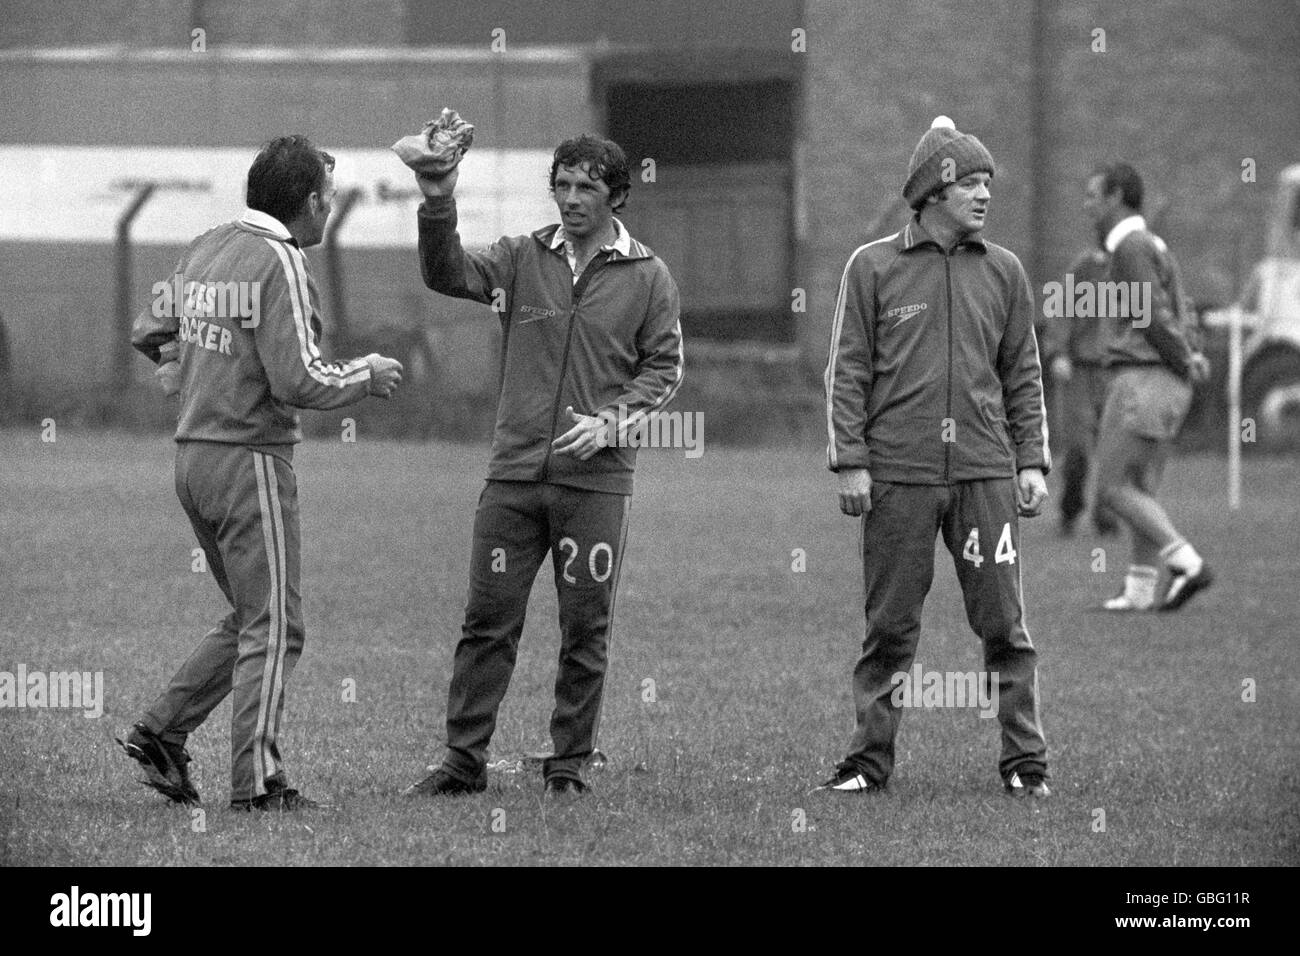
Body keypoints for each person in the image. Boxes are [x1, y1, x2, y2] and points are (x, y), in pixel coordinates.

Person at [122, 135, 404, 811]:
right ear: (308, 202)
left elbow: (150, 325)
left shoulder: (208, 245)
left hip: (193, 459)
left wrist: (175, 369)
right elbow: (298, 376)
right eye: (329, 198)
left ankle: (161, 732)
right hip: (249, 459)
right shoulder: (281, 261)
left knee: (255, 618)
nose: (330, 210)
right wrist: (365, 374)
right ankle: (257, 785)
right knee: (277, 626)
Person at [402, 133, 683, 797]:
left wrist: (613, 420)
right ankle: (462, 761)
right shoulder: (521, 257)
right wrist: (438, 197)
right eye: (563, 185)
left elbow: (665, 369)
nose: (572, 199)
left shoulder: (649, 277)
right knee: (486, 622)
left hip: (596, 482)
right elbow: (446, 273)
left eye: (587, 187)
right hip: (513, 476)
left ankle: (568, 765)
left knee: (586, 627)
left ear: (616, 195)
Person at [820, 116, 1051, 799]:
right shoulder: (872, 267)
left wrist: (1031, 460)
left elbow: (1024, 374)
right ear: (931, 193)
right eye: (970, 183)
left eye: (988, 183)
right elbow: (848, 370)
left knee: (1005, 627)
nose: (984, 195)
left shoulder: (1005, 272)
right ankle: (868, 763)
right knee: (890, 627)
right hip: (898, 475)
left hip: (985, 474)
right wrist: (850, 460)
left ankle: (1025, 763)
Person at [1086, 163, 1213, 612]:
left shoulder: (1131, 245)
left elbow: (1151, 314)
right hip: (1170, 381)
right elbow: (1182, 309)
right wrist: (1191, 357)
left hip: (1143, 375)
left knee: (1112, 489)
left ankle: (1188, 563)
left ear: (1117, 196)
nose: (1089, 205)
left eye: (1095, 195)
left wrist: (1181, 355)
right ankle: (1140, 588)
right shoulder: (1156, 245)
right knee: (1141, 487)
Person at [1042, 234, 1119, 537]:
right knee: (1079, 448)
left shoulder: (1136, 269)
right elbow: (1060, 311)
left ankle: (1106, 514)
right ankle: (1071, 508)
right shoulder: (1085, 268)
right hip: (1081, 372)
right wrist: (1059, 352)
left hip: (1116, 372)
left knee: (1115, 451)